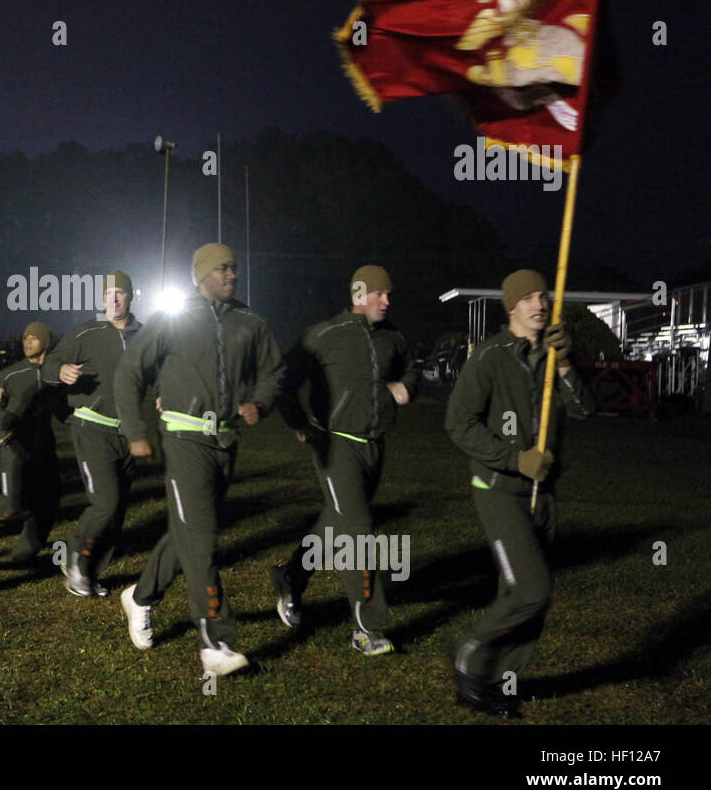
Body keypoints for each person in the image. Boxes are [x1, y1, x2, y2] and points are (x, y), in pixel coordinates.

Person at [114, 244, 284, 679]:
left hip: (225, 441)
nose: (232, 274)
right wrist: (135, 431)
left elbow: (274, 370)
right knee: (203, 540)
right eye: (222, 268)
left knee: (189, 533)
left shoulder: (250, 321)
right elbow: (130, 370)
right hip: (183, 438)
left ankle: (140, 596)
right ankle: (217, 642)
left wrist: (260, 402)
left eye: (234, 267)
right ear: (200, 274)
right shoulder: (173, 319)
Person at [445, 269, 592, 719]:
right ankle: (469, 651)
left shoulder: (554, 353)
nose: (539, 304)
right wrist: (515, 458)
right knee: (532, 588)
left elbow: (586, 409)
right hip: (498, 489)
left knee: (526, 599)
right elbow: (458, 423)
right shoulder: (490, 356)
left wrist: (565, 365)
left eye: (543, 296)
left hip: (542, 491)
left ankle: (500, 683)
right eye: (528, 298)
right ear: (511, 306)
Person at [269, 265, 417, 656]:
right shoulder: (325, 334)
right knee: (359, 531)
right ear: (359, 294)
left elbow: (410, 369)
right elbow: (284, 379)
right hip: (335, 447)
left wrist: (407, 386)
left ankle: (291, 576)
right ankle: (367, 627)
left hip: (375, 446)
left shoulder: (393, 337)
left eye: (390, 294)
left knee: (337, 524)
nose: (387, 300)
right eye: (380, 294)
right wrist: (298, 422)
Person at [41, 270, 142, 598]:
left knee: (117, 511)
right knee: (106, 503)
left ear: (130, 296)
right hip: (92, 427)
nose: (114, 299)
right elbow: (49, 364)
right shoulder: (87, 332)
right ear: (102, 298)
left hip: (128, 433)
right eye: (109, 293)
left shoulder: (145, 336)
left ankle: (89, 571)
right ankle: (75, 558)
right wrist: (60, 370)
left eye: (120, 293)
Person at [0, 321, 66, 565]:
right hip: (13, 444)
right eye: (25, 338)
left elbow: (63, 408)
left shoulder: (54, 375)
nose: (27, 342)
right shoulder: (10, 374)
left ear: (45, 342)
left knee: (48, 502)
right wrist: (2, 422)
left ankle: (25, 553)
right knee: (13, 502)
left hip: (43, 446)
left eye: (33, 338)